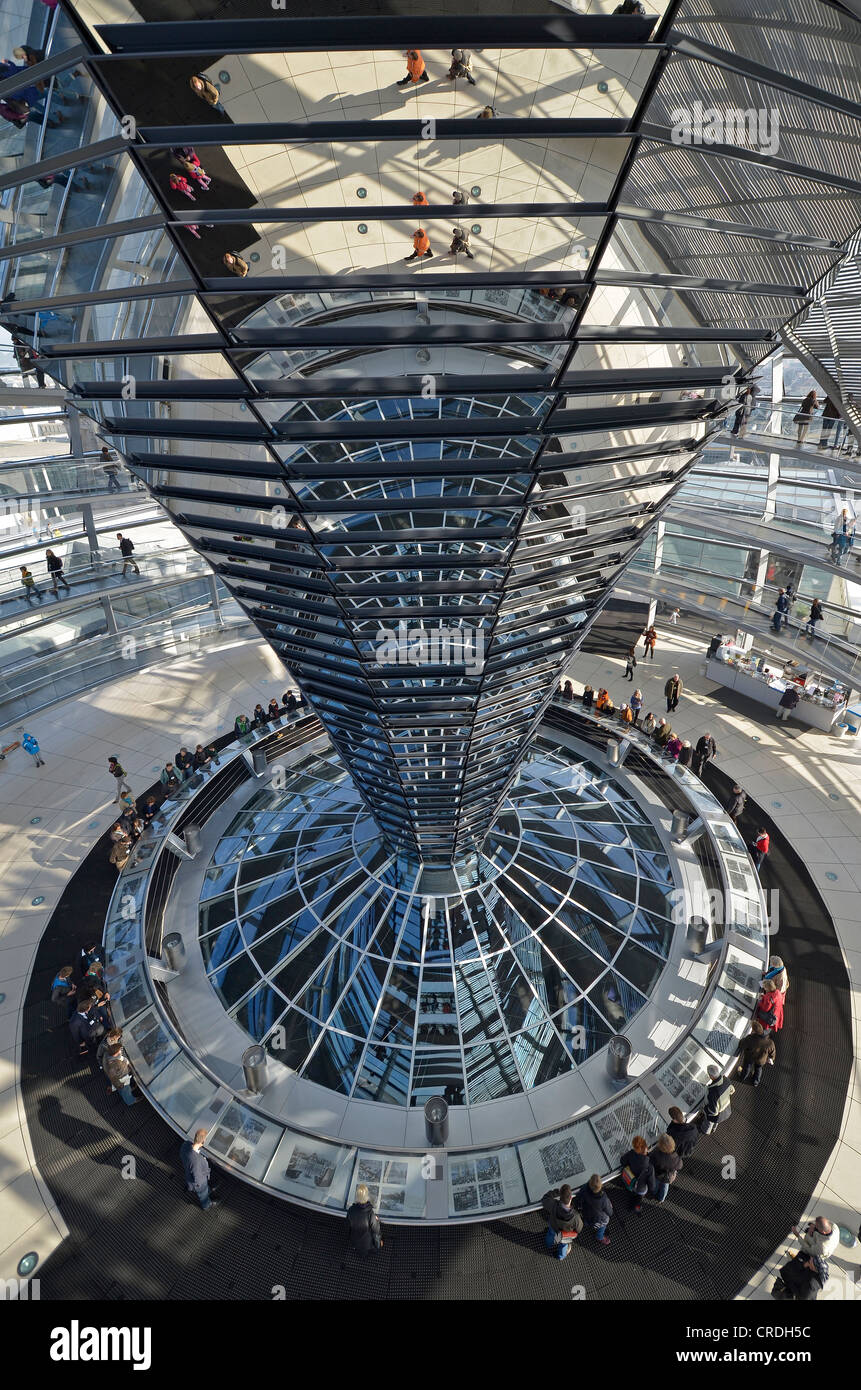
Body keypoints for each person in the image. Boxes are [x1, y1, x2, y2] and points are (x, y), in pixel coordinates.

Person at [541, 1183, 583, 1256]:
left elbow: (545, 1199)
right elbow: (579, 1229)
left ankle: (548, 1245)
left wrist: (556, 1192)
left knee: (551, 1236)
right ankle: (561, 1256)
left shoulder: (554, 1206)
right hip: (565, 1234)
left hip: (554, 1228)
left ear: (560, 1197)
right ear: (571, 1198)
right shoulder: (576, 1217)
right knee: (563, 1244)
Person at [180, 1129, 218, 1210]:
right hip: (199, 1184)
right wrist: (201, 1186)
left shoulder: (185, 1144)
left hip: (189, 1174)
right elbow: (198, 1179)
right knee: (203, 1195)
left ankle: (208, 1190)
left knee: (205, 1190)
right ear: (203, 1142)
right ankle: (207, 1205)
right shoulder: (197, 1161)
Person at [619, 1136, 653, 1214]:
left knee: (631, 1193)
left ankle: (630, 1203)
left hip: (630, 1182)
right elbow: (652, 1184)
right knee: (637, 1200)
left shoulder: (631, 1154)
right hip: (641, 1189)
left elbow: (622, 1161)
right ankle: (634, 1209)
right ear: (646, 1148)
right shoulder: (649, 1167)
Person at [346, 1183, 383, 1255]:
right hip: (367, 1245)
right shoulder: (370, 1213)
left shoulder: (351, 1210)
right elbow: (376, 1231)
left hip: (355, 1242)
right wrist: (377, 1220)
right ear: (367, 1196)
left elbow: (347, 1227)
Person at [735, 1020, 775, 1087]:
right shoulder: (769, 1042)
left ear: (754, 1030)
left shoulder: (750, 1039)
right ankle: (755, 1082)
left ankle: (743, 1077)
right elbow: (772, 1052)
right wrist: (771, 1058)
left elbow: (742, 1044)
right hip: (761, 1060)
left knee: (747, 1067)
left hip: (750, 1057)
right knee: (758, 1069)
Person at [576, 1174, 612, 1245]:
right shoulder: (603, 1199)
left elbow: (578, 1200)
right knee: (602, 1226)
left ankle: (586, 1224)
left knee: (587, 1221)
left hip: (587, 1214)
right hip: (598, 1219)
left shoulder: (584, 1189)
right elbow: (610, 1212)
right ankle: (600, 1237)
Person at [698, 1064, 734, 1134]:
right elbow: (732, 1090)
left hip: (718, 1116)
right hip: (727, 1110)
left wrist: (704, 1108)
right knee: (716, 1122)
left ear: (711, 1076)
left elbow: (713, 1112)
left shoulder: (712, 1093)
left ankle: (705, 1131)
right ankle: (714, 1128)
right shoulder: (726, 1080)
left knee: (709, 1122)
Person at [103, 1041, 140, 1106]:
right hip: (122, 1082)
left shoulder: (112, 1056)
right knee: (125, 1092)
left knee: (124, 1090)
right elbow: (114, 1078)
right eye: (120, 1050)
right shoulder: (113, 1065)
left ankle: (125, 1091)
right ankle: (131, 1101)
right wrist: (120, 1085)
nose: (121, 1051)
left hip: (122, 1079)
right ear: (116, 1053)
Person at [650, 1133, 682, 1203]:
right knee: (665, 1188)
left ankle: (654, 1193)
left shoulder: (657, 1154)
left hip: (658, 1175)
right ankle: (661, 1199)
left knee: (655, 1185)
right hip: (668, 1177)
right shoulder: (675, 1156)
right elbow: (680, 1166)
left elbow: (651, 1162)